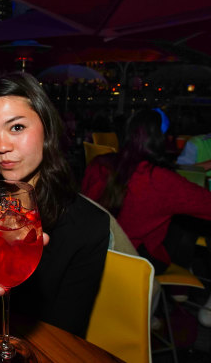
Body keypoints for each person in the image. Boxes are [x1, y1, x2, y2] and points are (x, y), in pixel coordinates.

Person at [0, 72, 110, 338]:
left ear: (47, 126)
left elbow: (66, 334)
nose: (1, 146)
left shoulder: (88, 226)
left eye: (17, 127)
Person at [81, 108, 211, 326]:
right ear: (161, 140)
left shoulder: (98, 165)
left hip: (96, 255)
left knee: (177, 215)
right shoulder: (161, 180)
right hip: (138, 262)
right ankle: (177, 288)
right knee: (185, 220)